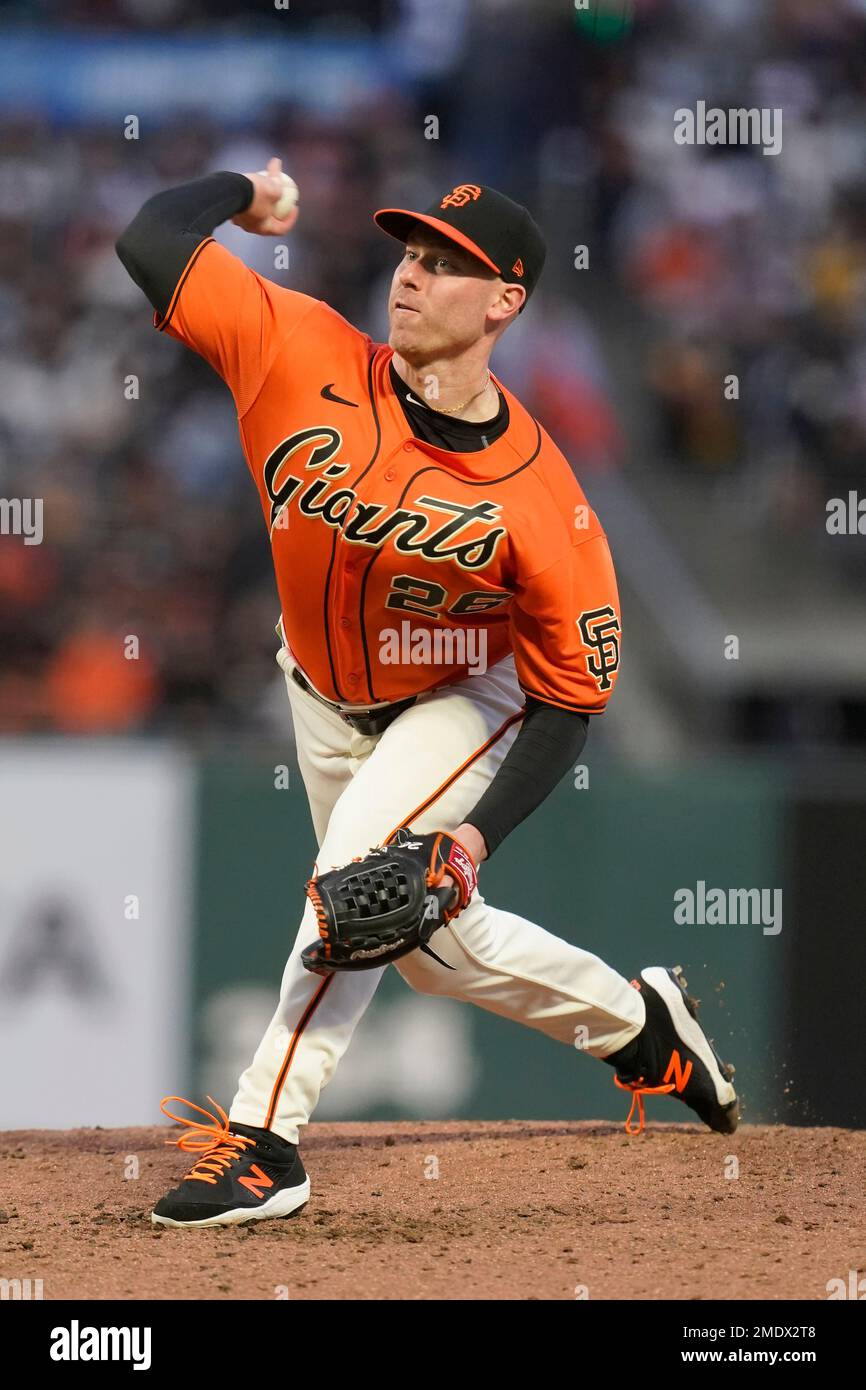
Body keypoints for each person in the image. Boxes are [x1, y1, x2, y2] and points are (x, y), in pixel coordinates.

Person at [115, 162, 738, 1229]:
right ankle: (639, 1026)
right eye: (410, 254)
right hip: (315, 688)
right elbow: (148, 239)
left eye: (448, 266)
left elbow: (569, 699)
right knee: (430, 954)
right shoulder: (294, 345)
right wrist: (242, 191)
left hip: (460, 693)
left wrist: (468, 842)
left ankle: (265, 1144)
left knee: (351, 883)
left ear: (506, 301)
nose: (411, 278)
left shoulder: (546, 500)